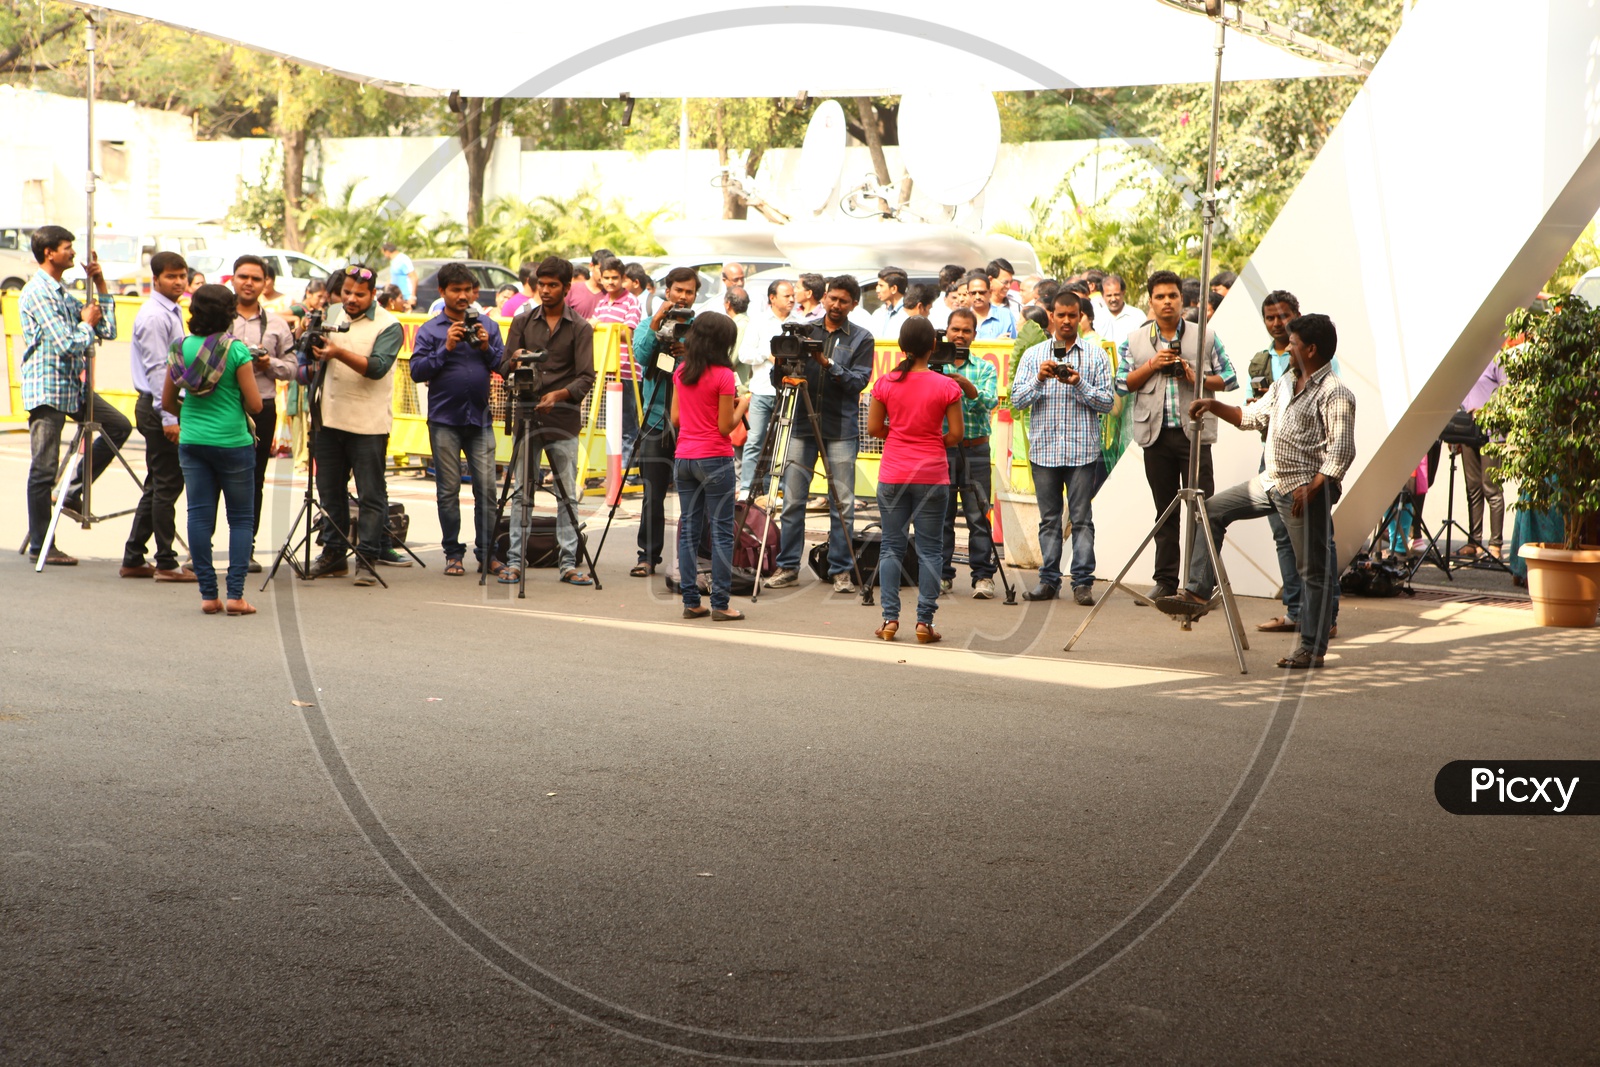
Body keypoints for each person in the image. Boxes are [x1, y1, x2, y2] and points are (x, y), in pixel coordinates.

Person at [1159, 314, 1356, 670]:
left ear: (1311, 350)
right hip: (1271, 481)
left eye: (1293, 344)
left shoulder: (1335, 392)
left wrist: (1313, 489)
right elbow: (1251, 417)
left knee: (1312, 572)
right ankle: (1198, 592)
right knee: (1212, 510)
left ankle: (1312, 649)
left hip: (1304, 491)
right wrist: (1212, 405)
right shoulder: (1286, 383)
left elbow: (1341, 452)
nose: (1288, 349)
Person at [1116, 269, 1237, 604]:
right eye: (1160, 297)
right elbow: (1121, 384)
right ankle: (1166, 582)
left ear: (1182, 299)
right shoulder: (1134, 340)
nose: (1167, 302)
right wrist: (1152, 365)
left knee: (1203, 511)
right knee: (1165, 511)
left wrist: (1195, 377)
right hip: (1155, 436)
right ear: (1151, 301)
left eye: (1172, 295)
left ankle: (1200, 585)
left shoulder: (1205, 336)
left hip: (1194, 436)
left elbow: (1229, 378)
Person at [19, 225, 125, 567]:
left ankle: (73, 490)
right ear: (49, 252)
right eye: (67, 247)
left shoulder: (62, 293)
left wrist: (101, 286)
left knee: (118, 426)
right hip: (48, 388)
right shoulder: (39, 292)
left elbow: (106, 329)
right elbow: (68, 343)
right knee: (44, 469)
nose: (73, 253)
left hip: (72, 388)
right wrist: (86, 323)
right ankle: (41, 545)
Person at [765, 275, 874, 592]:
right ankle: (788, 566)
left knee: (843, 504)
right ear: (824, 298)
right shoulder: (804, 331)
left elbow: (858, 382)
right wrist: (782, 363)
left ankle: (840, 570)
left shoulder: (862, 338)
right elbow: (777, 380)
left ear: (853, 304)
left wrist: (826, 363)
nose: (836, 305)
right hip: (801, 424)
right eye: (832, 298)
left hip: (840, 428)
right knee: (792, 500)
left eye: (843, 301)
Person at [160, 284, 264, 616]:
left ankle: (208, 595)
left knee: (199, 515)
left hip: (193, 441)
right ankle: (235, 596)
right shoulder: (235, 350)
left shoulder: (179, 348)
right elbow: (256, 405)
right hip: (233, 442)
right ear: (229, 313)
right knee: (241, 518)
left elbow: (166, 402)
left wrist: (193, 417)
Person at [301, 265, 404, 586]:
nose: (351, 299)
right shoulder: (332, 313)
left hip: (368, 424)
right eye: (346, 292)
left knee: (371, 494)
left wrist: (337, 352)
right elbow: (310, 357)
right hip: (328, 418)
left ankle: (367, 558)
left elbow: (377, 368)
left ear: (373, 295)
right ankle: (333, 555)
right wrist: (306, 335)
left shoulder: (389, 325)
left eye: (359, 294)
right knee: (329, 491)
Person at [1013, 291, 1115, 604]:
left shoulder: (1096, 356)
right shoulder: (1033, 356)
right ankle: (1048, 582)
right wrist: (1039, 380)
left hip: (1081, 451)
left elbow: (1107, 403)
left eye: (1073, 315)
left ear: (1080, 316)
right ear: (1052, 316)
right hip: (1044, 451)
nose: (1067, 321)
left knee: (1081, 518)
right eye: (1061, 315)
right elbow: (1017, 400)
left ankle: (1082, 583)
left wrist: (1079, 383)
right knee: (1049, 519)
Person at [867, 317, 964, 643]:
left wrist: (899, 436)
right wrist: (931, 441)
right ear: (934, 346)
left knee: (891, 547)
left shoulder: (885, 383)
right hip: (932, 474)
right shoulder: (947, 386)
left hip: (893, 472)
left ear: (901, 346)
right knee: (931, 550)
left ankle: (889, 620)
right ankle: (924, 623)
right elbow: (956, 435)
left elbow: (874, 428)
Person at [501, 255, 596, 586]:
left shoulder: (580, 327)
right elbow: (503, 367)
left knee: (566, 494)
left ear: (567, 288)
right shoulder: (522, 322)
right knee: (521, 492)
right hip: (527, 416)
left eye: (553, 285)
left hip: (563, 419)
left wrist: (558, 395)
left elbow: (586, 377)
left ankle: (568, 563)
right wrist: (514, 361)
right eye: (541, 284)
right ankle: (515, 561)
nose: (545, 290)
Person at [410, 262, 505, 578]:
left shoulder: (488, 325)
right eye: (455, 290)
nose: (463, 296)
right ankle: (453, 553)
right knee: (448, 491)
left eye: (467, 290)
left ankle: (488, 554)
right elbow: (417, 371)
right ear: (442, 291)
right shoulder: (430, 330)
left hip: (480, 420)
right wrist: (446, 347)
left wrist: (486, 347)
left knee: (487, 491)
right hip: (444, 421)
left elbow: (503, 366)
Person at [670, 312, 750, 621]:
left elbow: (676, 418)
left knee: (689, 531)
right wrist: (743, 405)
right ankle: (720, 604)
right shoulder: (724, 375)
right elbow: (724, 427)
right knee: (721, 533)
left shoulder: (681, 371)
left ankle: (691, 601)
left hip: (684, 457)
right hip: (715, 458)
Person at [121, 251, 194, 582]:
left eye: (182, 276)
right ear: (156, 279)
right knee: (167, 484)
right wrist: (168, 417)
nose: (178, 282)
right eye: (171, 276)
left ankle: (134, 556)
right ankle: (165, 561)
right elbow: (156, 369)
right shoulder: (154, 316)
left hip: (164, 404)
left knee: (158, 483)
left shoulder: (172, 311)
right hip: (158, 405)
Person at [228, 255, 297, 572]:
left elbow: (293, 369)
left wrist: (270, 364)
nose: (249, 283)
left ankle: (246, 548)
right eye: (243, 276)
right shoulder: (218, 317)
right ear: (233, 279)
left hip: (262, 408)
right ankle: (201, 550)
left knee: (253, 480)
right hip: (223, 404)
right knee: (211, 479)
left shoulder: (278, 324)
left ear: (265, 283)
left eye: (256, 278)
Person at [631, 267, 701, 576]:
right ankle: (647, 556)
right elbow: (642, 357)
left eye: (689, 292)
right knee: (652, 493)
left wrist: (690, 353)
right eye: (678, 290)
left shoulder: (701, 330)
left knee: (695, 496)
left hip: (691, 423)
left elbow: (714, 369)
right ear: (667, 291)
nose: (683, 296)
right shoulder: (647, 323)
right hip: (655, 421)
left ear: (695, 295)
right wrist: (657, 323)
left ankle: (693, 558)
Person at [934, 308, 998, 599]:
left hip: (976, 449)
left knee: (978, 515)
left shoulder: (985, 368)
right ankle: (941, 575)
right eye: (955, 329)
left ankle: (983, 577)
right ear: (946, 331)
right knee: (941, 516)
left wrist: (968, 388)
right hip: (942, 450)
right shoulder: (933, 366)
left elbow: (990, 402)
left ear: (974, 334)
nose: (960, 335)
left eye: (966, 331)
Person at [736, 278, 796, 494]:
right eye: (787, 296)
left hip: (789, 391)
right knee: (755, 440)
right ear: (772, 298)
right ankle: (747, 488)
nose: (792, 299)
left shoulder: (798, 323)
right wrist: (767, 355)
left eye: (793, 295)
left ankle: (774, 488)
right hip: (762, 391)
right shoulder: (758, 322)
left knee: (782, 443)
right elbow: (744, 355)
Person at [591, 256, 644, 469]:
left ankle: (627, 474)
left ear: (622, 278)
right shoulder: (602, 303)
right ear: (601, 278)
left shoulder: (632, 301)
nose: (610, 282)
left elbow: (628, 334)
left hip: (626, 372)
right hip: (605, 371)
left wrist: (601, 326)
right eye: (607, 278)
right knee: (607, 425)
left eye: (615, 278)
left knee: (627, 426)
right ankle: (610, 472)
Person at [1458, 355, 1507, 557]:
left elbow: (1507, 390)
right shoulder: (1465, 360)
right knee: (1473, 489)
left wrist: (1486, 410)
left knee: (1491, 489)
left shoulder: (1496, 358)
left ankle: (1495, 544)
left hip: (1491, 433)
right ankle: (1474, 541)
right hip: (1468, 432)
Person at [965, 271, 1016, 340]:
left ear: (990, 292)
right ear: (968, 294)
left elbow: (1016, 343)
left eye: (982, 292)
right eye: (973, 293)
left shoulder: (1006, 316)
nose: (977, 297)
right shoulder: (961, 317)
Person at [1098, 274, 1146, 348]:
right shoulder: (1096, 317)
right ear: (1102, 295)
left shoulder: (1138, 316)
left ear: (1123, 293)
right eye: (1109, 295)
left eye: (1116, 295)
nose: (1113, 299)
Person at [566, 249, 609, 319]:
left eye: (608, 270)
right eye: (601, 269)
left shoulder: (613, 294)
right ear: (591, 266)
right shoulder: (572, 290)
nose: (604, 273)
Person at [868, 266, 908, 338]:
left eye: (881, 286)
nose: (877, 290)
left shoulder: (907, 313)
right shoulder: (881, 313)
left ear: (894, 289)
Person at [723, 285, 751, 387]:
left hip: (742, 387)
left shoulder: (739, 326)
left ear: (728, 304)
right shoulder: (746, 323)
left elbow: (731, 359)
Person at [381, 241, 414, 309]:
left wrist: (412, 297)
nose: (384, 256)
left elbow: (414, 277)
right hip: (395, 298)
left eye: (384, 253)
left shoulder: (403, 259)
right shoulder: (394, 261)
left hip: (405, 298)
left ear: (387, 252)